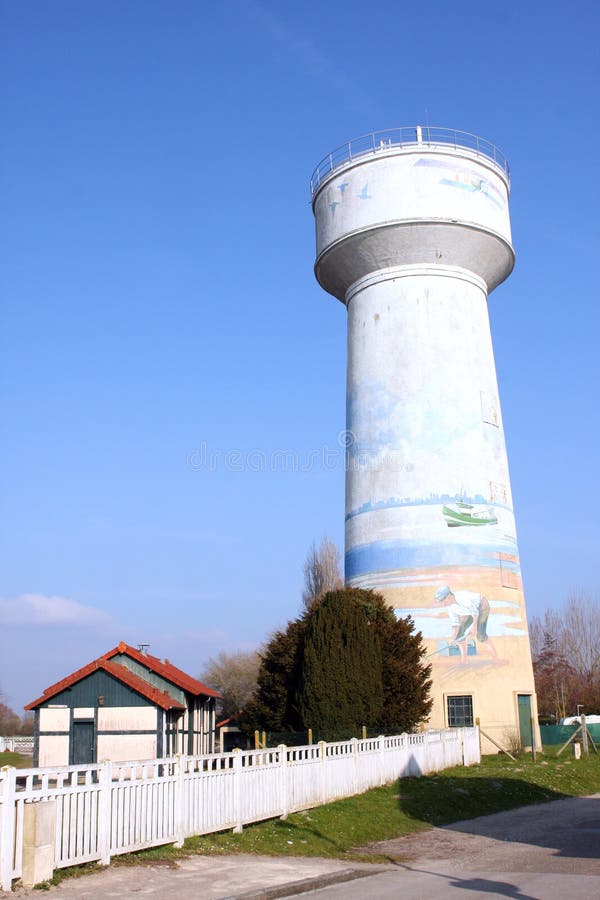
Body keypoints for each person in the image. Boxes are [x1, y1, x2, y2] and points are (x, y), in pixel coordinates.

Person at [434, 586, 497, 662]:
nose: (443, 603)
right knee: (459, 635)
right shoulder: (450, 608)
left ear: (448, 597)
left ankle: (495, 657)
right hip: (469, 611)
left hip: (482, 606)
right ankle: (464, 660)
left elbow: (475, 612)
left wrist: (474, 627)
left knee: (481, 636)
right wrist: (453, 638)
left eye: (442, 600)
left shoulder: (462, 598)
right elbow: (455, 624)